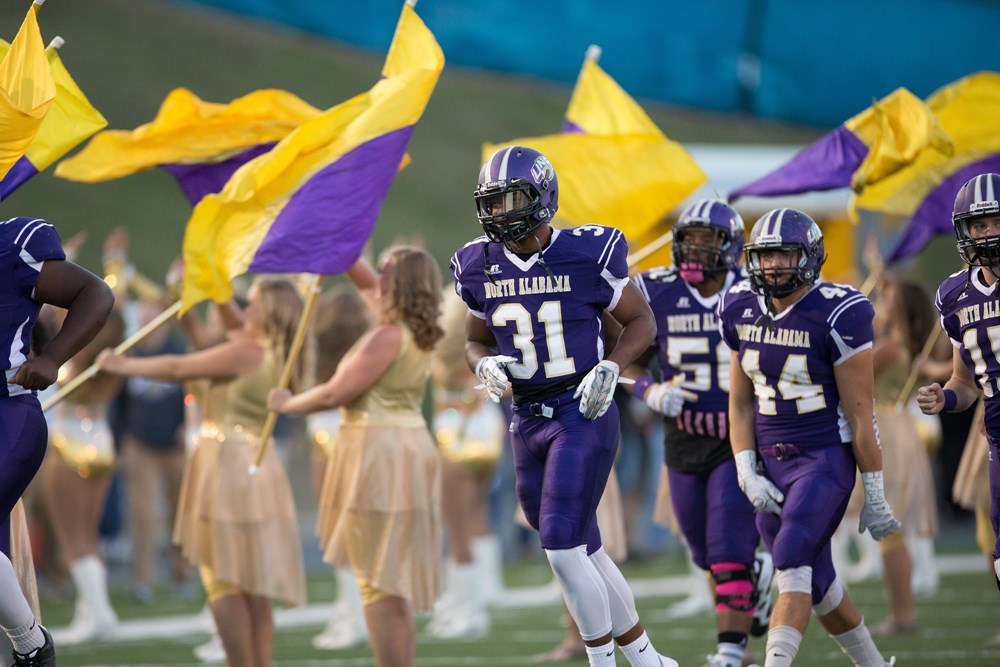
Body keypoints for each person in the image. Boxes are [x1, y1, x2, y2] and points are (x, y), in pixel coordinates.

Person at [451, 145, 678, 667]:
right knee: (584, 547)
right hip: (525, 417)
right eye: (493, 201)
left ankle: (602, 663)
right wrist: (482, 364)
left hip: (583, 410)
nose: (502, 212)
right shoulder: (476, 263)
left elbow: (642, 322)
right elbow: (474, 340)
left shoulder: (589, 251)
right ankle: (648, 660)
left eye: (513, 198)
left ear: (543, 195)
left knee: (559, 546)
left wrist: (613, 364)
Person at [718, 207, 899, 667]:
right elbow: (739, 402)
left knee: (793, 558)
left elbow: (861, 416)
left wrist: (874, 494)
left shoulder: (839, 311)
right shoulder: (739, 305)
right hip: (768, 465)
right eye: (765, 255)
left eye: (785, 254)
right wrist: (744, 469)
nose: (774, 264)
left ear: (811, 256)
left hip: (821, 459)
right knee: (818, 585)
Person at [98, 276, 310, 667]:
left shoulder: (247, 350)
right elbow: (215, 324)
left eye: (255, 304)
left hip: (227, 462)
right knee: (250, 583)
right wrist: (200, 284)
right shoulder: (274, 347)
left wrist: (123, 364)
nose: (246, 309)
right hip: (251, 465)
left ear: (271, 313)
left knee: (224, 581)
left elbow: (181, 365)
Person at [267, 248, 445, 667]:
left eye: (385, 270)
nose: (376, 277)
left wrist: (287, 404)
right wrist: (341, 246)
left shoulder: (387, 335)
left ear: (399, 283)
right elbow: (364, 281)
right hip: (405, 442)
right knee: (388, 578)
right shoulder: (416, 328)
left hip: (379, 449)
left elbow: (336, 392)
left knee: (375, 580)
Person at [623, 199, 773, 667]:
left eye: (708, 241)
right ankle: (758, 575)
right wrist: (648, 391)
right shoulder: (654, 292)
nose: (695, 250)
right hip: (682, 438)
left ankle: (730, 653)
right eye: (688, 240)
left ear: (731, 247)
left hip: (739, 437)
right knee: (705, 553)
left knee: (728, 549)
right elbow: (621, 360)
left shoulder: (754, 292)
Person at [0, 215, 115, 667]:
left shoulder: (11, 243)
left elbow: (96, 293)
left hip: (7, 411)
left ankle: (31, 643)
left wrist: (52, 358)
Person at [916, 172, 1000, 594]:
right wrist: (945, 398)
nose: (986, 233)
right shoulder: (955, 295)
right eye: (977, 225)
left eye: (994, 222)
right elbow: (965, 382)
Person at [41, 299, 125, 644]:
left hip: (71, 442)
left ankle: (100, 612)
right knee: (88, 534)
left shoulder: (78, 358)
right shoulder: (113, 356)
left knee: (72, 536)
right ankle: (90, 609)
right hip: (102, 439)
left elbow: (55, 315)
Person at [426, 288, 506, 639]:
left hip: (455, 430)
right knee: (476, 513)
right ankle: (485, 590)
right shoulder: (487, 337)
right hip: (488, 427)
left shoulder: (440, 346)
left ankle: (469, 610)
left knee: (456, 527)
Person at [866, 274, 939, 634]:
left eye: (888, 298)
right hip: (896, 429)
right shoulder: (901, 342)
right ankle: (902, 611)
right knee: (889, 529)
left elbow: (850, 374)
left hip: (886, 433)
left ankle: (902, 614)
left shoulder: (889, 347)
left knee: (888, 530)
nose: (883, 302)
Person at [306, 285, 373, 651]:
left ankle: (353, 615)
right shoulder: (367, 341)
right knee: (355, 531)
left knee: (338, 532)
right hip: (356, 430)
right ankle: (349, 610)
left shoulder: (315, 340)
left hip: (326, 433)